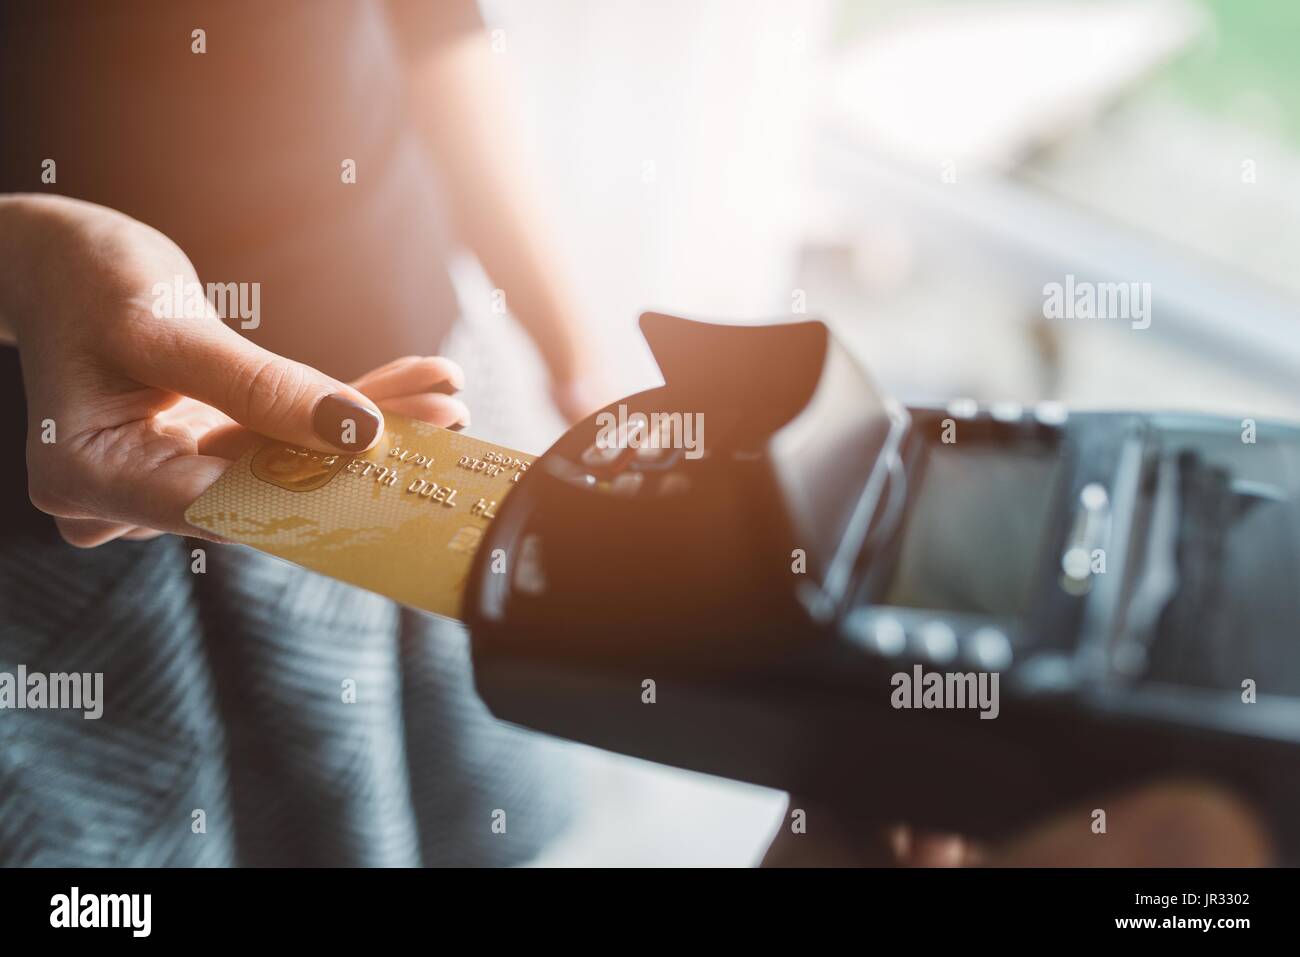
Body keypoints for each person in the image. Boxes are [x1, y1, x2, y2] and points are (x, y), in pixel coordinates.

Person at [0, 0, 590, 866]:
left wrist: (573, 354)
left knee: (463, 819)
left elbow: (432, 27)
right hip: (71, 494)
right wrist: (23, 257)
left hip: (420, 410)